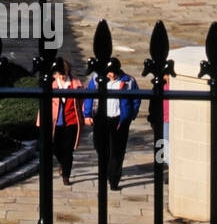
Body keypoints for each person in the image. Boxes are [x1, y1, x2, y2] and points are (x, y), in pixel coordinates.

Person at [83, 56, 140, 190]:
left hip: (119, 120)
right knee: (100, 146)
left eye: (114, 72)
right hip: (101, 119)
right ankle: (106, 168)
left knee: (118, 150)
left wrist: (131, 115)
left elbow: (136, 99)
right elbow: (89, 96)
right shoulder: (97, 79)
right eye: (110, 72)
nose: (112, 75)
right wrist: (87, 114)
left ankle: (114, 179)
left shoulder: (129, 81)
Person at [36, 57, 82, 185]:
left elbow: (82, 102)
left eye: (64, 73)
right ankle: (62, 163)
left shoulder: (76, 84)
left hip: (71, 121)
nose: (61, 76)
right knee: (55, 147)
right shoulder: (51, 84)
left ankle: (66, 175)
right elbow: (44, 104)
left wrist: (86, 115)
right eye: (59, 73)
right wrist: (40, 121)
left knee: (68, 150)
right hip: (55, 122)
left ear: (68, 72)